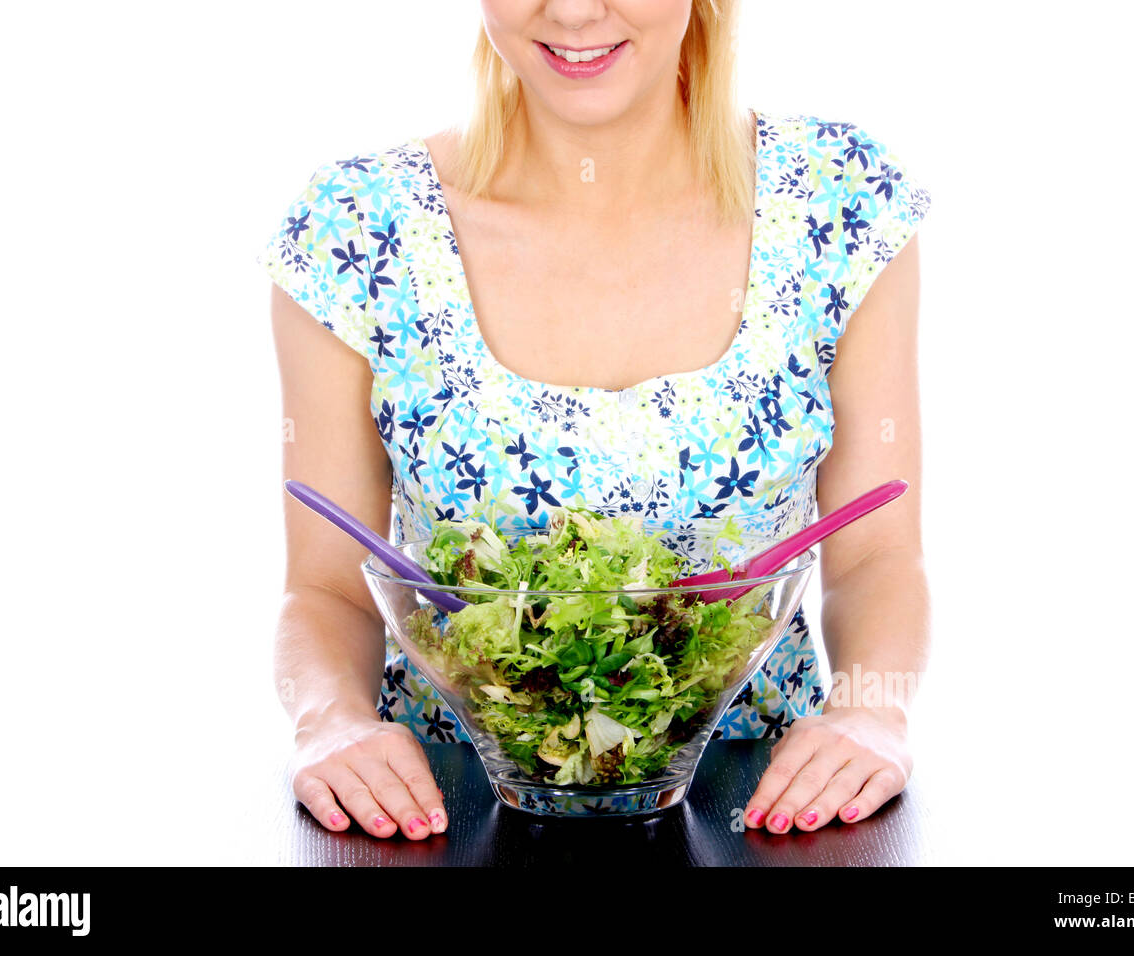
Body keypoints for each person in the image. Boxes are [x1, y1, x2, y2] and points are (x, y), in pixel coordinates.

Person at [256, 0, 931, 841]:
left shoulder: (839, 201)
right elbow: (325, 587)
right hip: (443, 812)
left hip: (765, 813)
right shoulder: (355, 229)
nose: (573, 11)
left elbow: (876, 556)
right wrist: (330, 723)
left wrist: (875, 717)